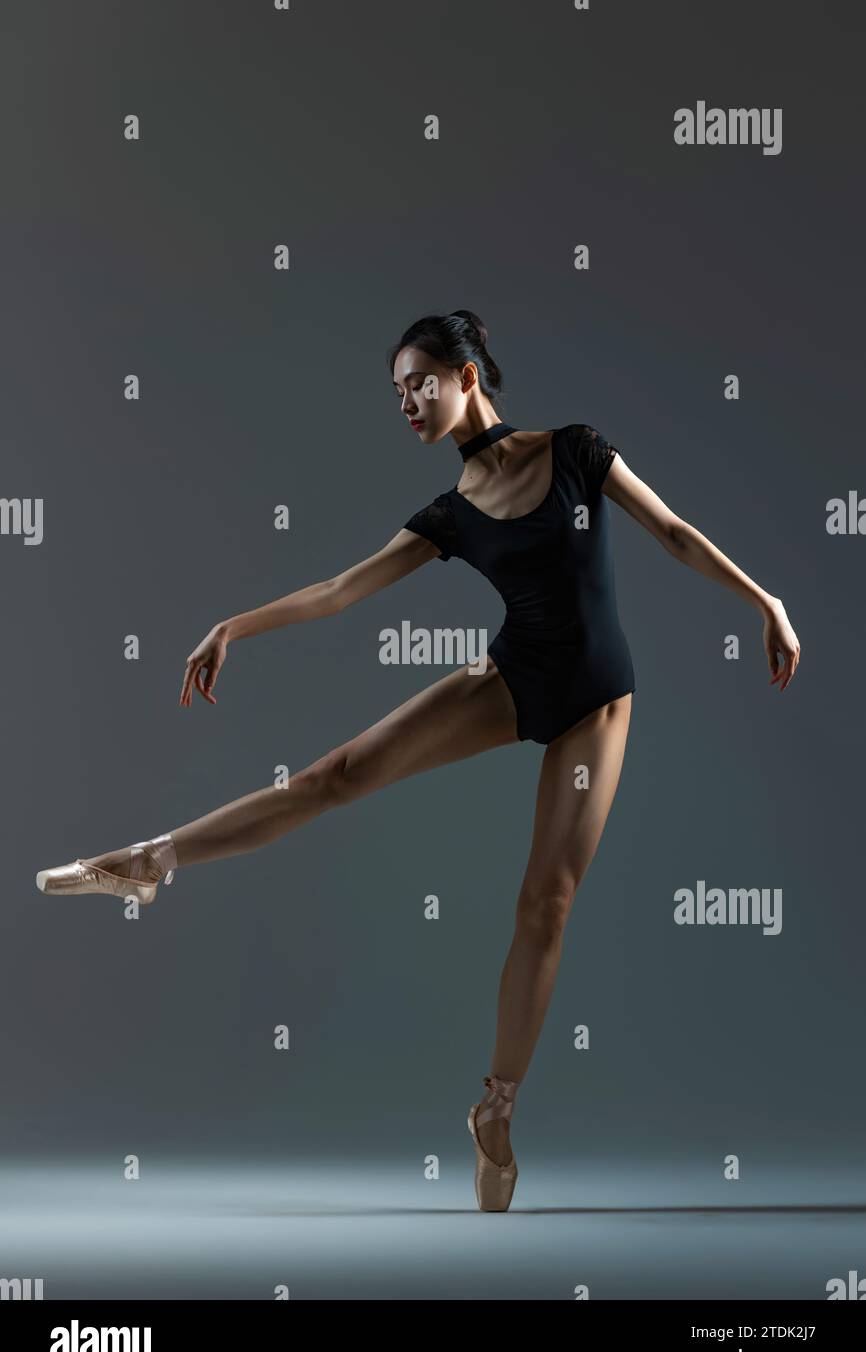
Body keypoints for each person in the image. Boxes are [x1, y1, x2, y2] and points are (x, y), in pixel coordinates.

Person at [35, 308, 800, 1212]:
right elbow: (339, 588)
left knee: (545, 904)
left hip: (597, 700)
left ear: (467, 374)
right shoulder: (451, 513)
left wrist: (767, 601)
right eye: (396, 392)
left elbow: (671, 530)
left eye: (418, 383)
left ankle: (496, 1113)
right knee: (335, 775)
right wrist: (231, 624)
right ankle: (145, 861)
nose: (405, 401)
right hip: (513, 675)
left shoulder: (579, 450)